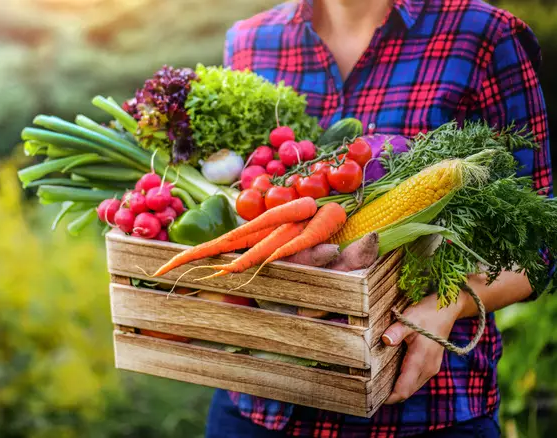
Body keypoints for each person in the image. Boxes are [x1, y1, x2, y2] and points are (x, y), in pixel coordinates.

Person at [206, 0, 554, 437]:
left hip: (421, 410)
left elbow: (539, 248)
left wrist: (446, 306)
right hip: (260, 402)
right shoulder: (251, 41)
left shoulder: (484, 36)